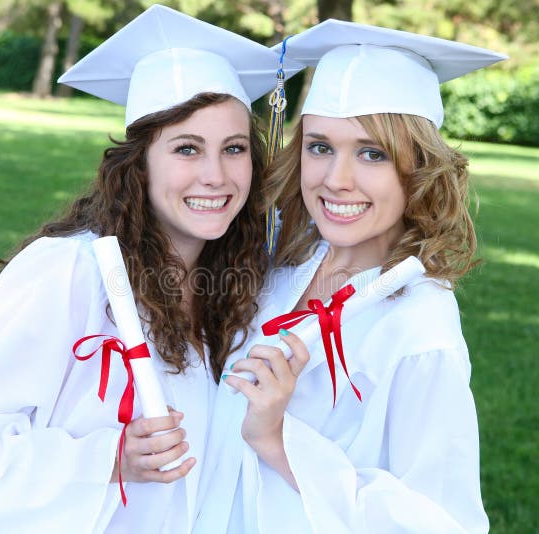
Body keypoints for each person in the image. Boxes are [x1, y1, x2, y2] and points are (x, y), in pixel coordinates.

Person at [0, 5, 302, 533]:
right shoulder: (67, 271)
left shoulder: (234, 288)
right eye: (187, 148)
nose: (216, 175)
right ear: (138, 164)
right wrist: (111, 461)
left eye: (235, 149)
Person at [195, 20, 506, 533]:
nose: (336, 180)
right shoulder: (286, 267)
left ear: (420, 167)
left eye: (372, 153)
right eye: (320, 147)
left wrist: (279, 441)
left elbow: (441, 520)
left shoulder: (418, 325)